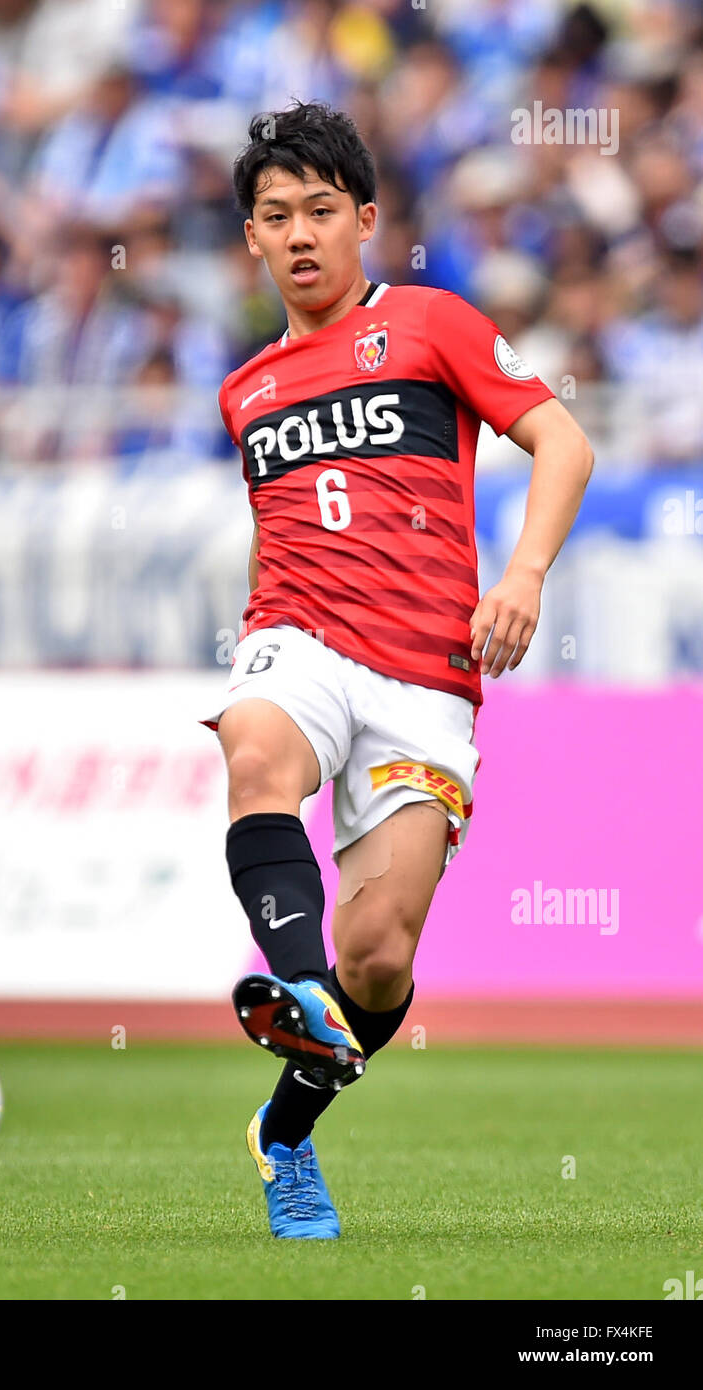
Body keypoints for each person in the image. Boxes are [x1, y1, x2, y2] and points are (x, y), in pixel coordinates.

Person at [200, 100, 594, 1239]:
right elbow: (288, 534)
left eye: (322, 209)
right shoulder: (243, 392)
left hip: (425, 675)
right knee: (255, 744)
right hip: (298, 639)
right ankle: (291, 984)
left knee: (377, 958)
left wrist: (517, 578)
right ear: (253, 241)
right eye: (276, 216)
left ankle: (282, 1130)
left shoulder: (427, 323)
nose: (301, 232)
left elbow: (559, 441)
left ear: (364, 219)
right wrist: (263, 648)